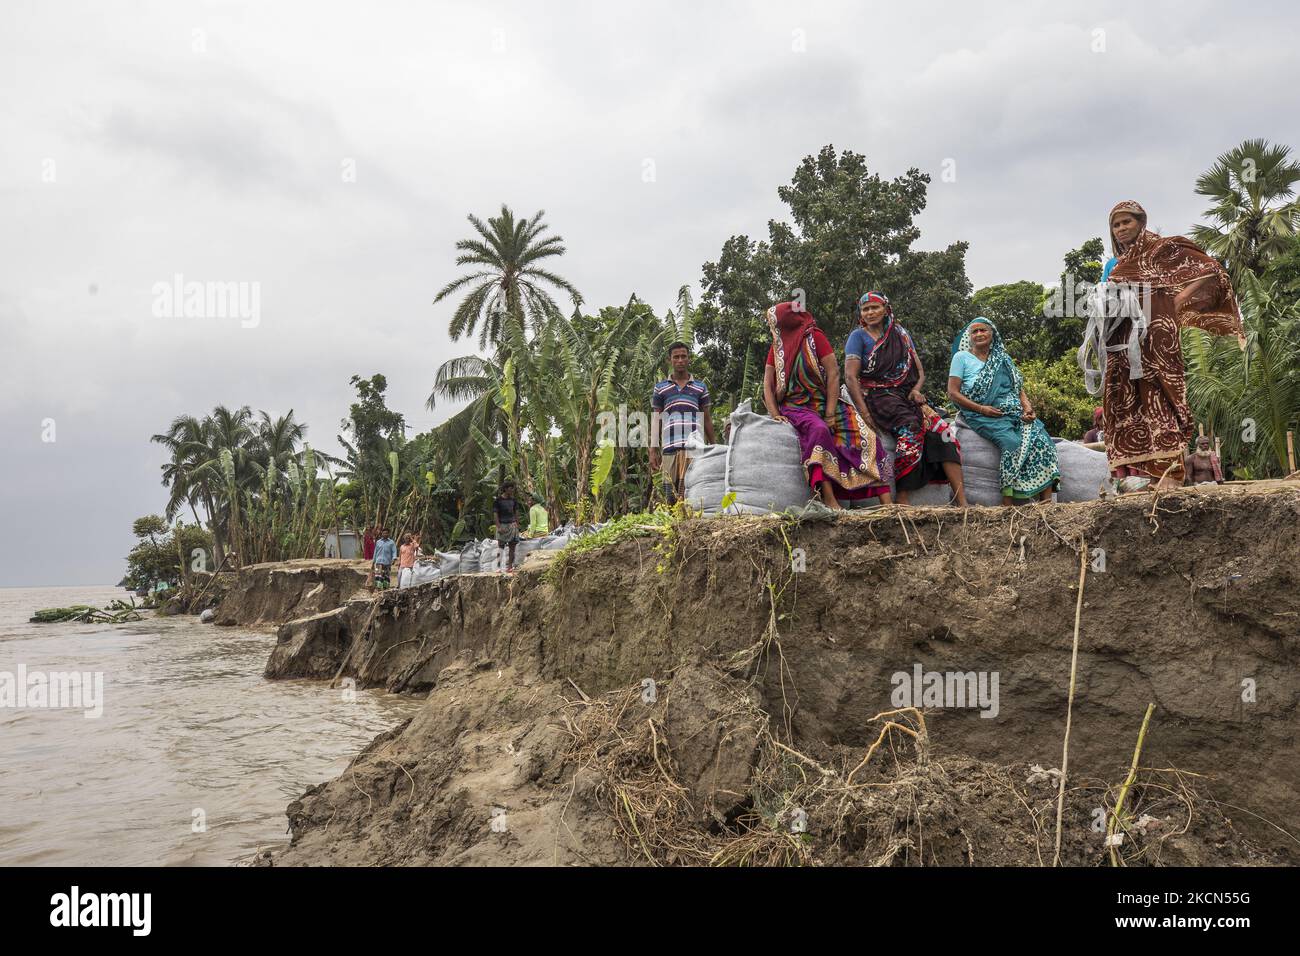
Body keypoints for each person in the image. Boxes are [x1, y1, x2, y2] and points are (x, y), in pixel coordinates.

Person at [1080, 201, 1244, 492]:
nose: (1121, 229)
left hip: (1157, 336)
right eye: (1116, 225)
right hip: (1123, 340)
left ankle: (1170, 473)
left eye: (1126, 222)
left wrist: (1175, 303)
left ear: (1141, 222)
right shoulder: (1113, 265)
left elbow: (1211, 270)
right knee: (1128, 402)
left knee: (1161, 398)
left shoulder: (1162, 250)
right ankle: (1149, 477)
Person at [761, 301, 892, 508]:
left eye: (775, 321)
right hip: (796, 406)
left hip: (825, 402)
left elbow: (833, 374)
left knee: (867, 435)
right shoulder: (777, 348)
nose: (773, 327)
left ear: (787, 321)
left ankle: (886, 503)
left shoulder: (815, 338)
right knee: (819, 430)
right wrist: (774, 413)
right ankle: (829, 499)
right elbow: (768, 384)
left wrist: (831, 413)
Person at [845, 291, 967, 506]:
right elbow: (850, 377)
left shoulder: (900, 334)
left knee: (943, 432)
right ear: (861, 314)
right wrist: (864, 413)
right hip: (879, 397)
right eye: (865, 309)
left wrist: (917, 390)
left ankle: (962, 501)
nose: (870, 312)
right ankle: (902, 496)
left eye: (875, 307)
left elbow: (919, 371)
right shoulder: (858, 337)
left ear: (885, 309)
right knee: (910, 428)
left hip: (906, 395)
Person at [947, 317, 1060, 505]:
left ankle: (1046, 503)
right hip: (980, 413)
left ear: (993, 334)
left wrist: (1027, 407)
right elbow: (952, 392)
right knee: (1011, 443)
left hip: (1013, 410)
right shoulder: (961, 358)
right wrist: (981, 408)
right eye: (974, 332)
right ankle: (1007, 502)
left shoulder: (1002, 359)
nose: (979, 334)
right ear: (969, 337)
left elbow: (1018, 387)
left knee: (1043, 442)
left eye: (983, 330)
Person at [650, 342, 717, 503]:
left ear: (688, 359)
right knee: (670, 495)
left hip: (694, 448)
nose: (680, 360)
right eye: (676, 357)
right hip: (670, 449)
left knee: (693, 493)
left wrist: (714, 446)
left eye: (683, 356)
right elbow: (656, 419)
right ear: (670, 360)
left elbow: (706, 418)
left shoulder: (700, 388)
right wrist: (652, 449)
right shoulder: (661, 388)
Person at [493, 481, 521, 571]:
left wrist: (517, 524)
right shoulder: (498, 500)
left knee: (512, 547)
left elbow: (516, 513)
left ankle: (509, 567)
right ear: (505, 489)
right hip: (502, 525)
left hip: (512, 525)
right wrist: (498, 527)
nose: (512, 490)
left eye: (513, 488)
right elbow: (495, 514)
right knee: (501, 547)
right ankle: (498, 567)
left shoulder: (513, 500)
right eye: (510, 488)